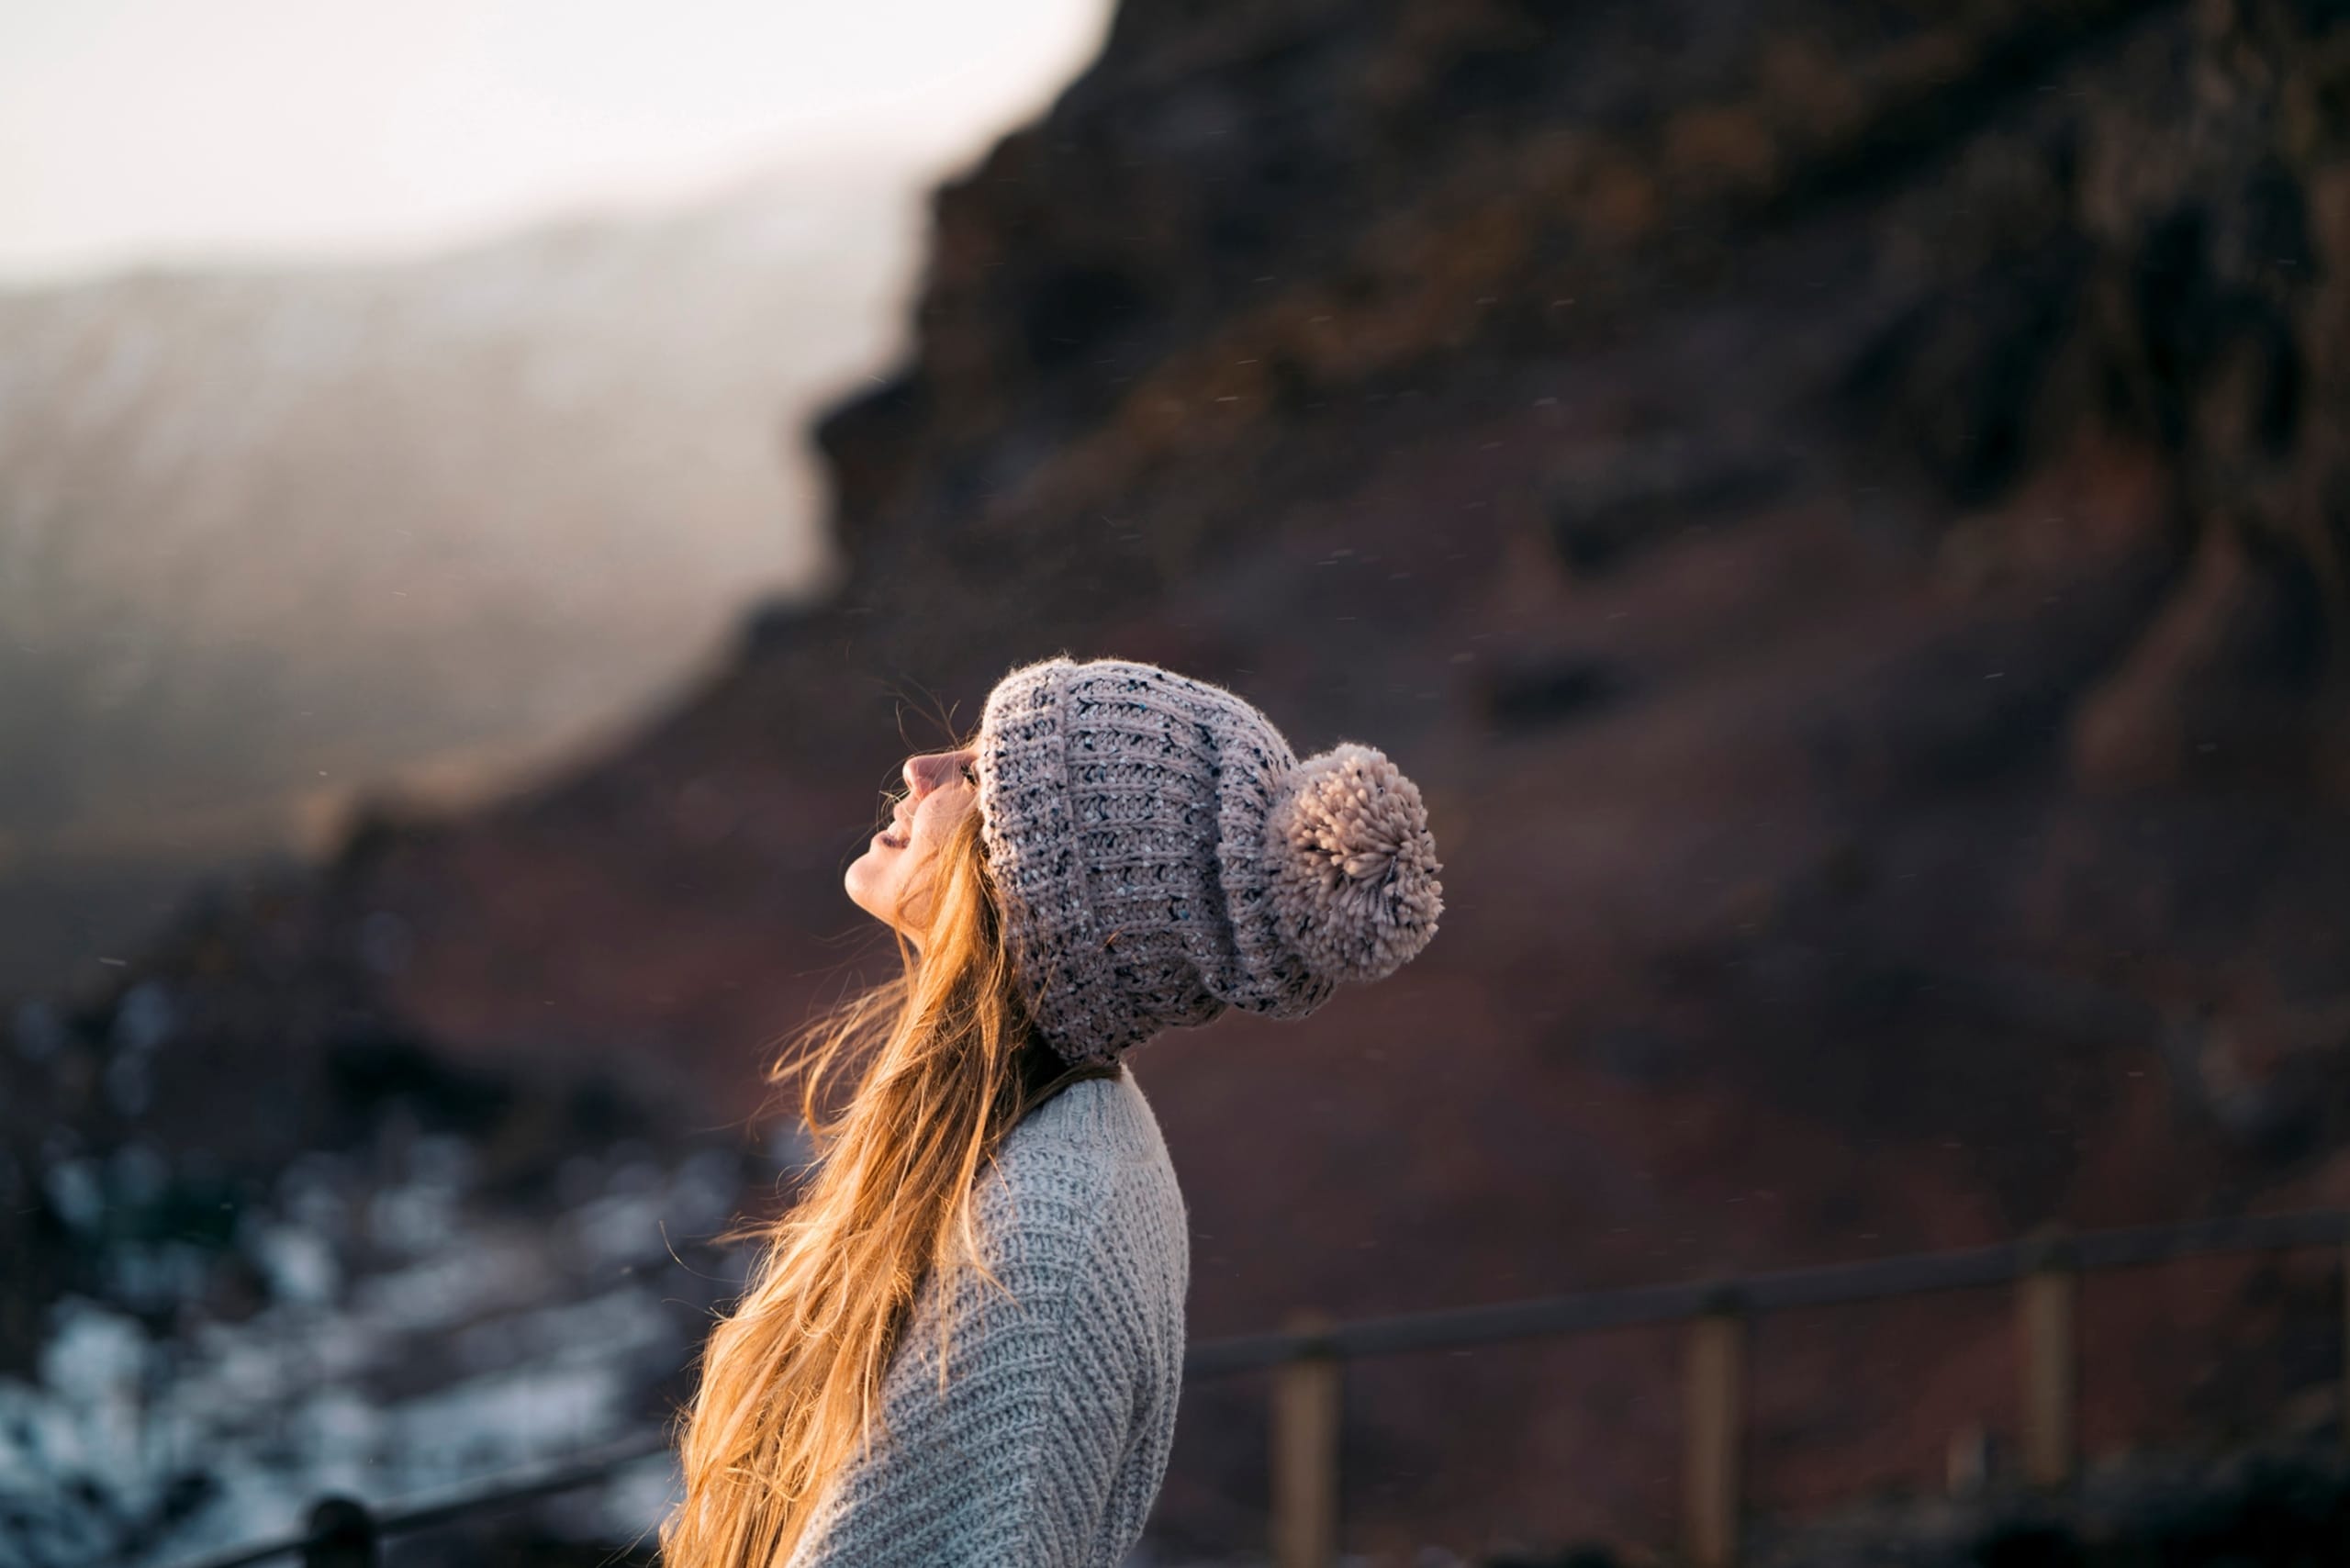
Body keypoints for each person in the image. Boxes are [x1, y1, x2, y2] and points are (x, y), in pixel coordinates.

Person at [663, 655, 1445, 1567]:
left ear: (1036, 896)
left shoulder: (1044, 1233)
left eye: (979, 773)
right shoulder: (1019, 1142)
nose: (921, 772)